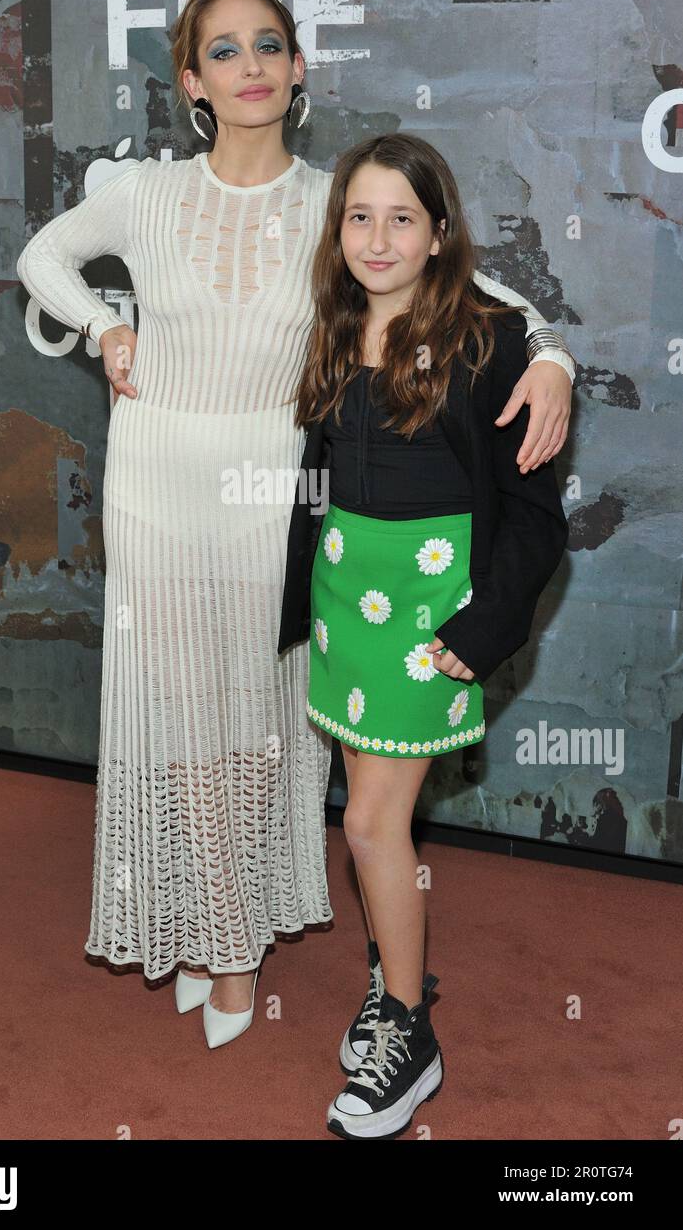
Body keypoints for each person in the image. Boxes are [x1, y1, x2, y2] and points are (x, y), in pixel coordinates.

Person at [16, 0, 576, 1053]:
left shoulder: (336, 199)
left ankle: (236, 949)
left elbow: (477, 288)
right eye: (223, 51)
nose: (251, 66)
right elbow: (43, 255)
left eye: (268, 44)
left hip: (280, 499)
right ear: (191, 80)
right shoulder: (142, 194)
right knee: (174, 718)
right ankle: (189, 925)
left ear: (298, 69)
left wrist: (548, 354)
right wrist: (100, 328)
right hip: (154, 487)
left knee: (260, 729)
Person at [277, 132, 570, 1138]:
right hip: (343, 599)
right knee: (368, 814)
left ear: (441, 234)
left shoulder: (490, 342)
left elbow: (536, 517)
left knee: (366, 825)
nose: (377, 235)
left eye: (402, 216)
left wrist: (482, 625)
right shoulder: (333, 324)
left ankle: (409, 1030)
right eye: (358, 215)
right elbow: (315, 477)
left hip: (429, 611)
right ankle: (392, 982)